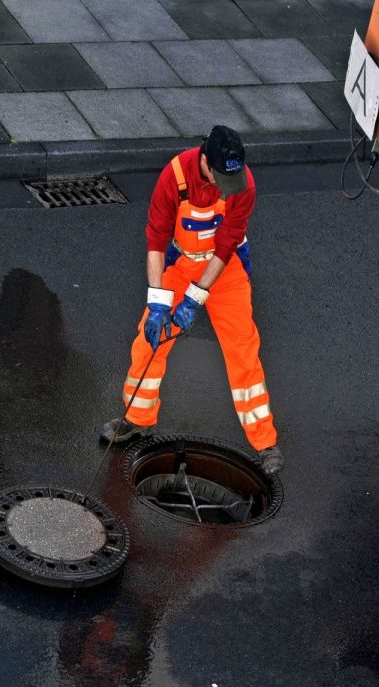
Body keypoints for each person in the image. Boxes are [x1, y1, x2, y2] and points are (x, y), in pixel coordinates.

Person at [99, 125, 283, 474]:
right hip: (180, 264)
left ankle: (265, 442)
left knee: (243, 348)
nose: (225, 188)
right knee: (149, 340)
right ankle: (137, 417)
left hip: (224, 269)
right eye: (220, 180)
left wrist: (195, 298)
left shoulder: (242, 183)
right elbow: (155, 241)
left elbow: (227, 243)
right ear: (205, 162)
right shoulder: (175, 177)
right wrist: (158, 304)